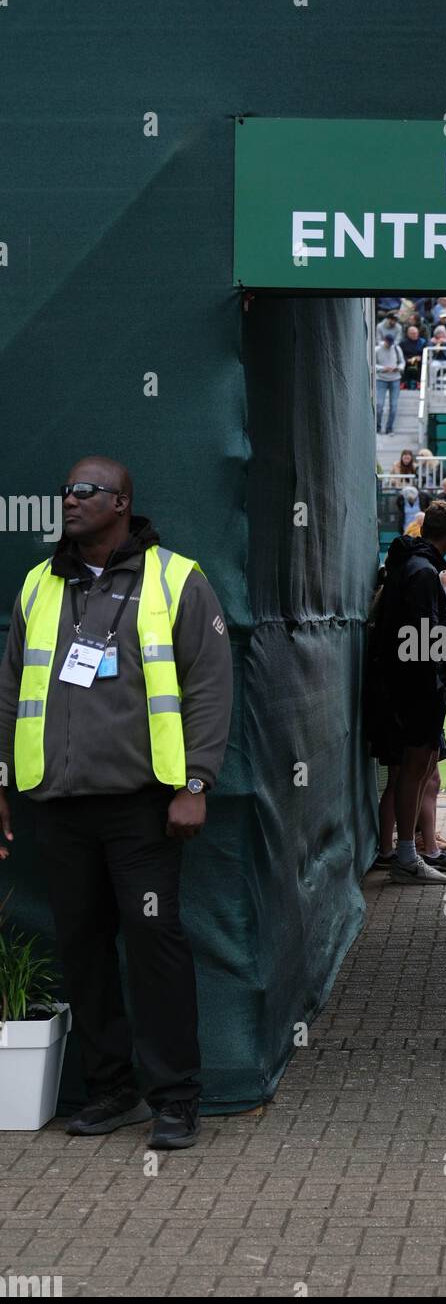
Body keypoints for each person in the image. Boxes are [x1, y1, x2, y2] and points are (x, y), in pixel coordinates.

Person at [0, 456, 233, 1150]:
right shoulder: (40, 584)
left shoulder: (176, 579)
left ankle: (176, 1097)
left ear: (122, 503)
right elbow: (10, 693)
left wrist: (195, 782)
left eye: (86, 491)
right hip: (60, 806)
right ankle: (110, 1090)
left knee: (154, 946)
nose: (69, 500)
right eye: (65, 489)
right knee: (84, 949)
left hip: (142, 810)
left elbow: (210, 688)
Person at [365, 500, 446, 884]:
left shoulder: (410, 566)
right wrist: (439, 681)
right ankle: (406, 856)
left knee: (412, 771)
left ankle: (407, 852)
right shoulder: (422, 573)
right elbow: (425, 638)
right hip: (415, 691)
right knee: (412, 770)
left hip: (405, 687)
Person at [375, 332, 405, 434]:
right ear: (385, 341)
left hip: (395, 379)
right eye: (389, 342)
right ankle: (377, 427)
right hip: (381, 379)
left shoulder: (396, 348)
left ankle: (389, 428)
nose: (390, 345)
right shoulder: (377, 349)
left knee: (393, 406)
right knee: (379, 405)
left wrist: (399, 368)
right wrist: (383, 368)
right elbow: (372, 364)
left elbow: (402, 362)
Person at [400, 323, 427, 388]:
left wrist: (421, 358)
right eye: (412, 333)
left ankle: (420, 383)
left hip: (419, 361)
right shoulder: (403, 343)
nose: (415, 335)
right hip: (407, 360)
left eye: (416, 333)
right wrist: (407, 360)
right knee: (402, 365)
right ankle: (402, 383)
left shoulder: (422, 342)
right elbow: (400, 354)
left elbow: (426, 353)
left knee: (422, 365)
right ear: (408, 334)